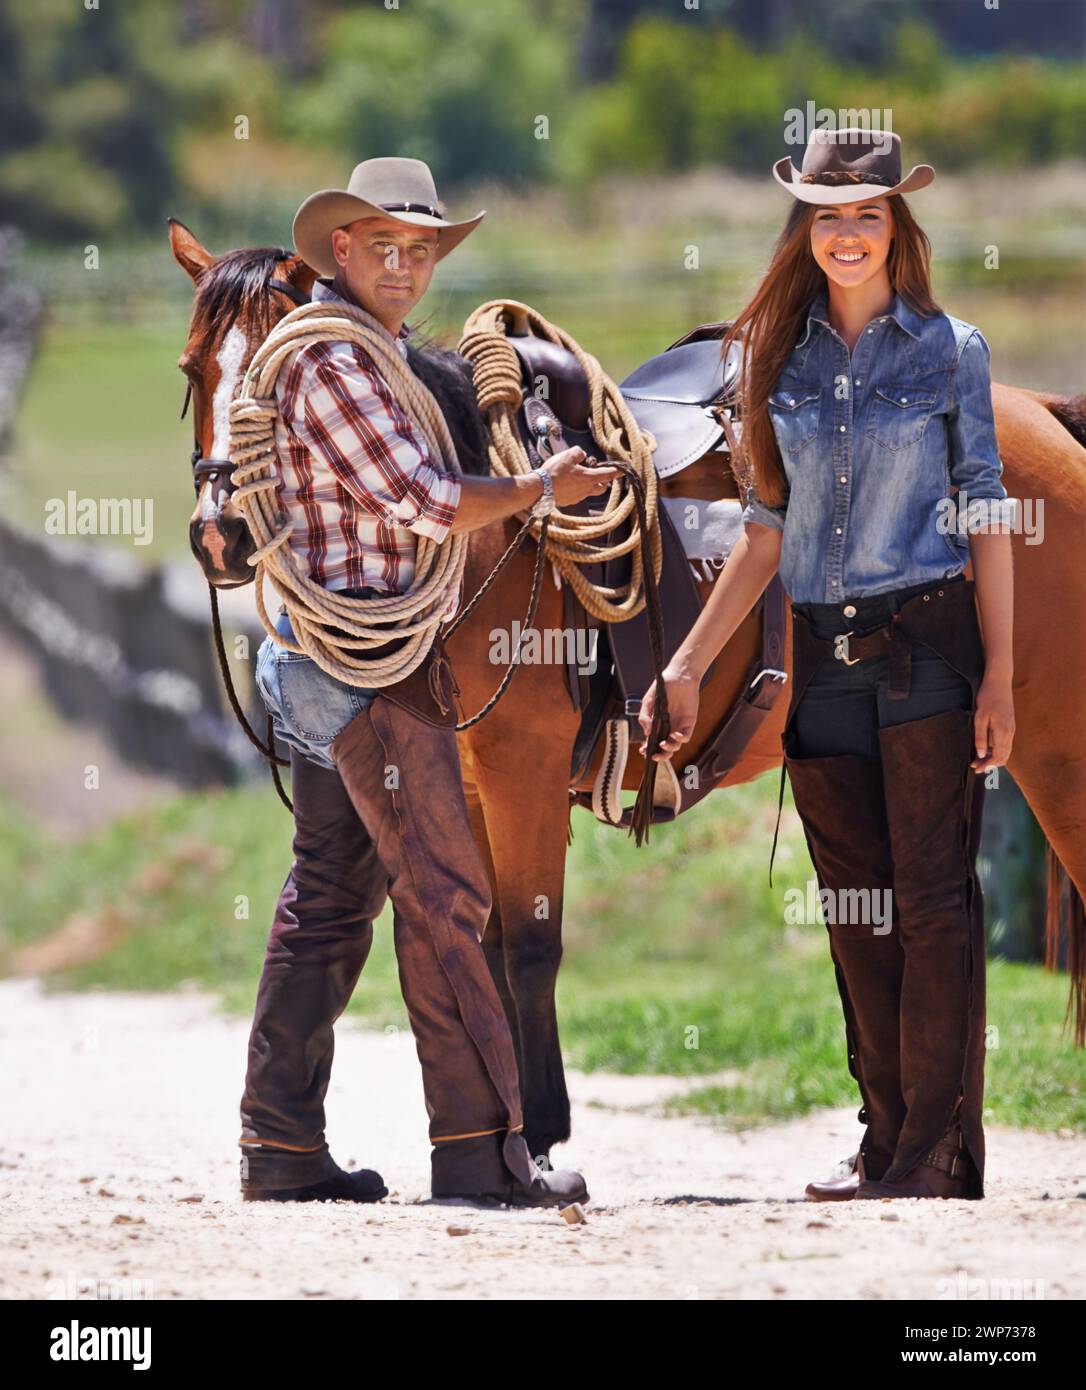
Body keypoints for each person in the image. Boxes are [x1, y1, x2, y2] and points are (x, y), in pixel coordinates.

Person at [638, 128, 1017, 1201]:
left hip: (931, 645)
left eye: (867, 214)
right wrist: (684, 661)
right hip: (824, 655)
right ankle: (887, 1137)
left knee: (935, 899)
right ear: (804, 231)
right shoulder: (781, 360)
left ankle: (940, 1153)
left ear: (898, 227)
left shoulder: (953, 350)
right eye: (829, 216)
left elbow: (985, 514)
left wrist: (997, 676)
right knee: (857, 907)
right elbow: (765, 530)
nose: (848, 234)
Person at [239, 157, 618, 1206]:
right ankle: (481, 1154)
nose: (405, 267)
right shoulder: (337, 364)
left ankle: (280, 1144)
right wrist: (542, 487)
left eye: (421, 250)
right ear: (340, 251)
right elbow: (422, 500)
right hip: (373, 674)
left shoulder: (364, 351)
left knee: (328, 898)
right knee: (449, 899)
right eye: (384, 248)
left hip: (318, 663)